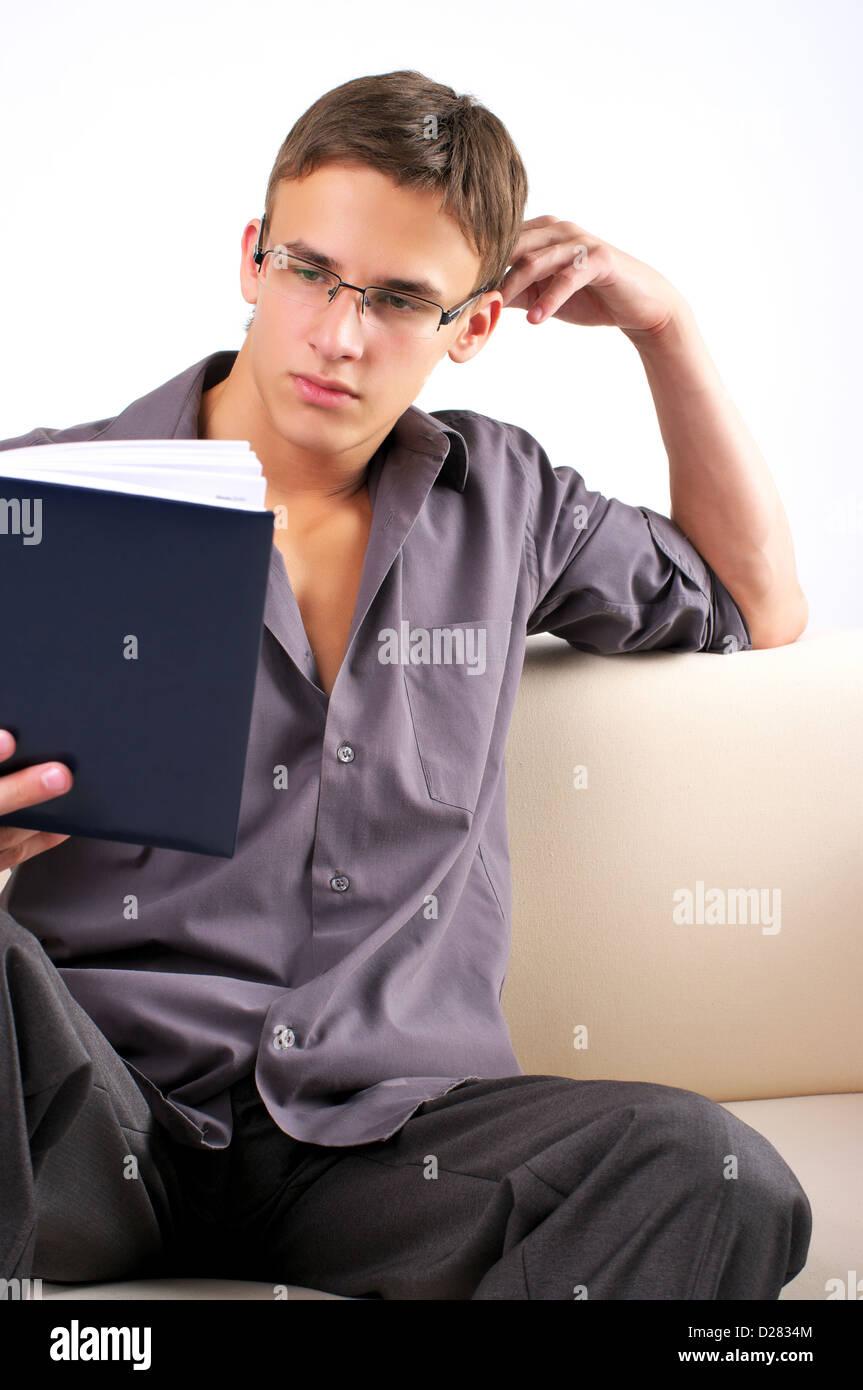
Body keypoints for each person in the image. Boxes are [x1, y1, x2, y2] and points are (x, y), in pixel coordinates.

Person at [0, 69, 811, 1300]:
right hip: (88, 1120)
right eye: (311, 274)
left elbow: (753, 610)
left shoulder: (506, 503)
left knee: (709, 1171)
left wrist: (666, 328)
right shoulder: (44, 501)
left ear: (471, 327)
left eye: (396, 300)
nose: (337, 334)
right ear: (251, 260)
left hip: (389, 1143)